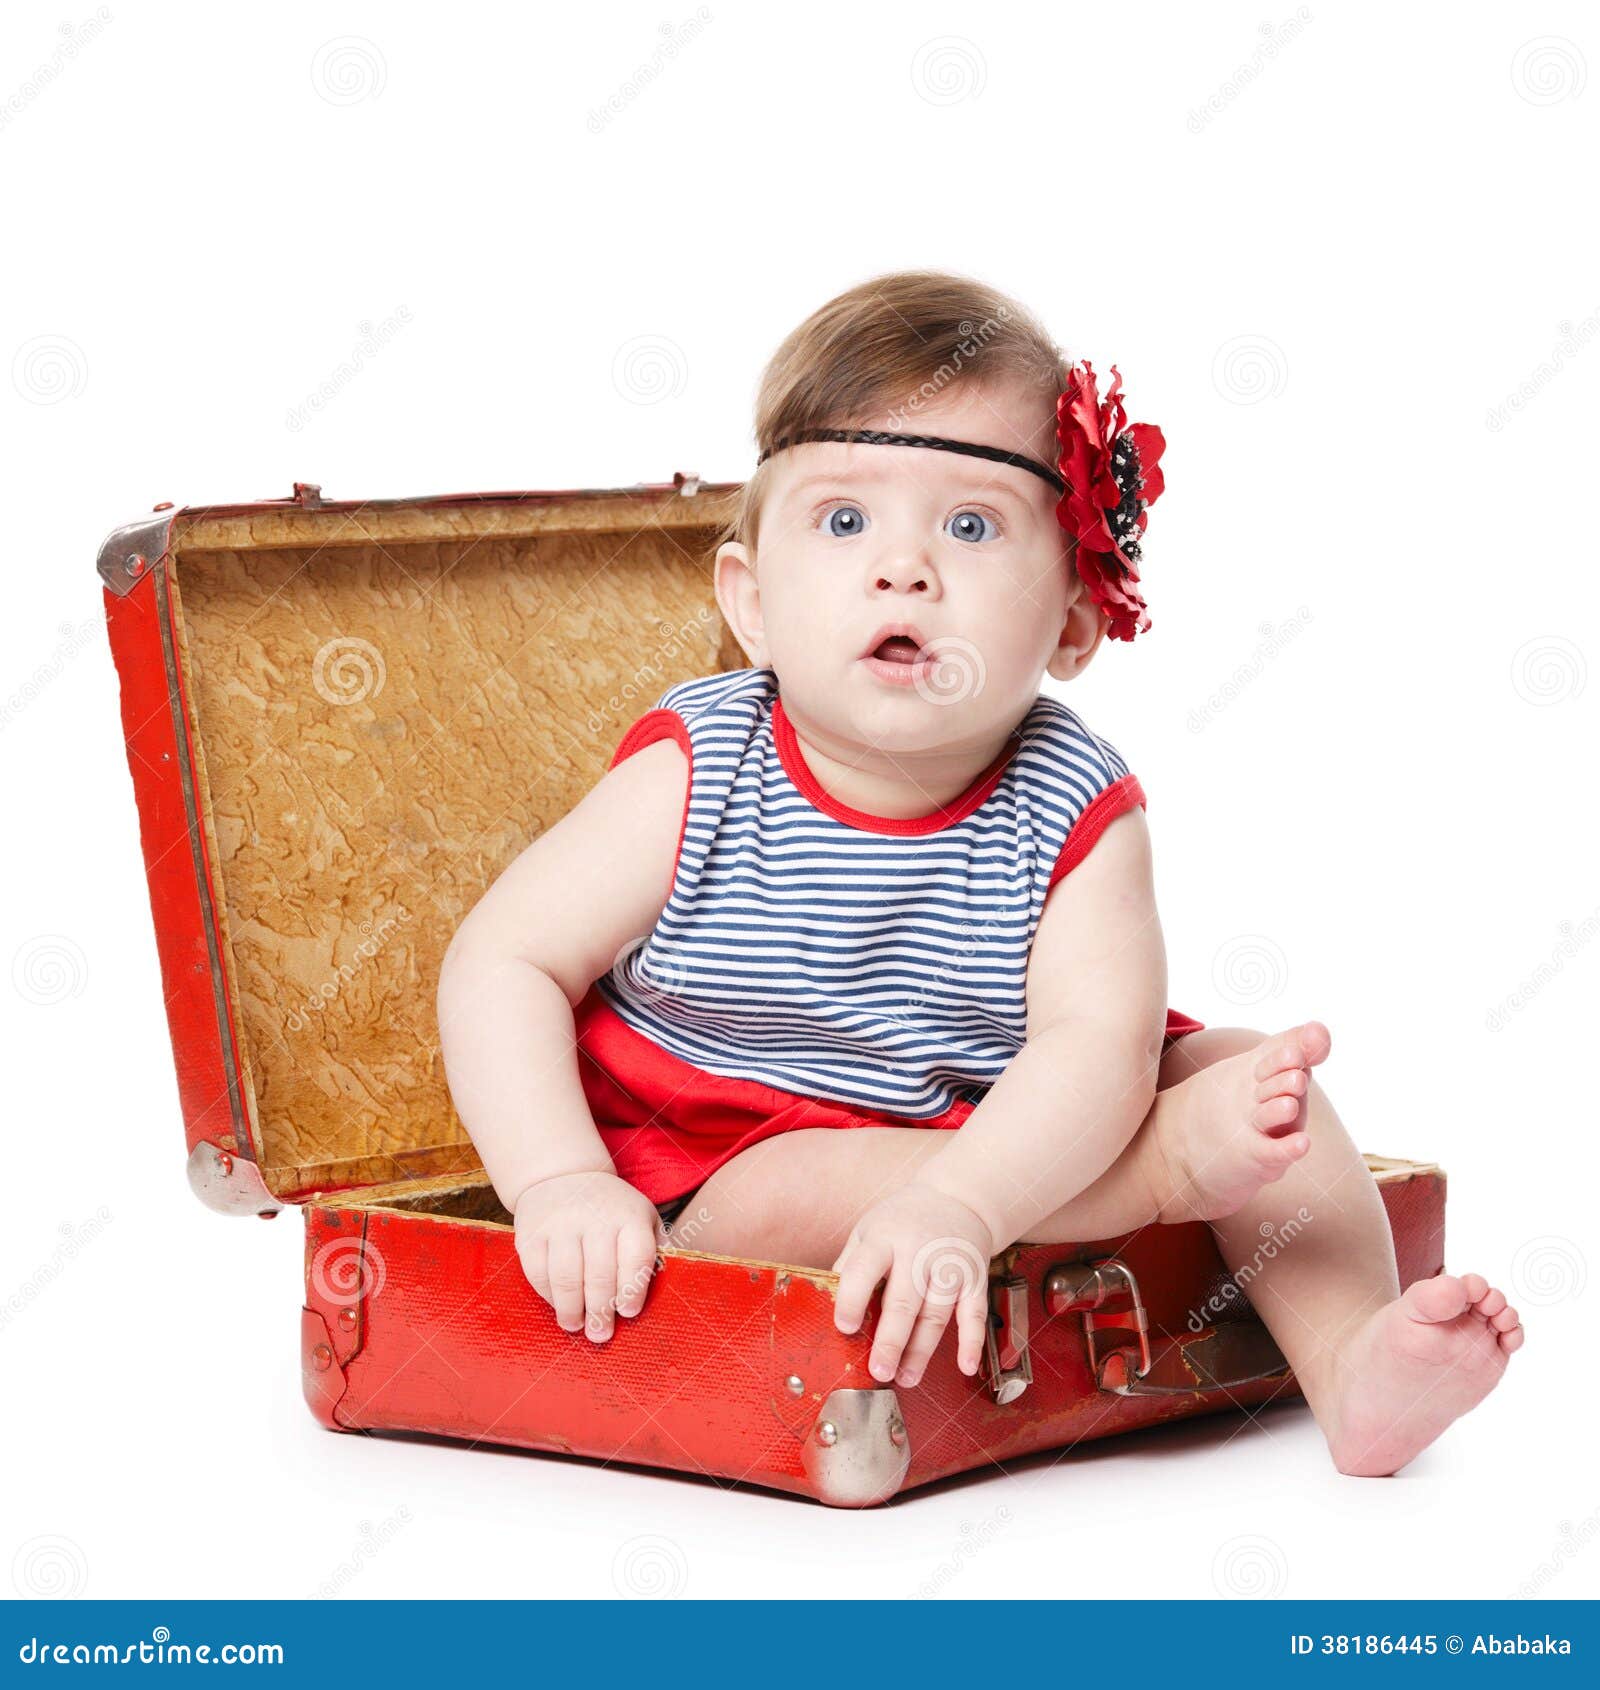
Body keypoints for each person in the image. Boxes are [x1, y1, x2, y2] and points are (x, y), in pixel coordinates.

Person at [437, 270, 1521, 1476]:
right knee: (803, 1185)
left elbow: (1094, 1054)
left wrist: (964, 1204)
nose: (904, 569)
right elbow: (505, 960)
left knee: (1248, 1075)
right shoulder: (702, 765)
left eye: (968, 525)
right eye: (844, 522)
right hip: (727, 1183)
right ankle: (1162, 1178)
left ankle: (1352, 1360)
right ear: (749, 602)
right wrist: (557, 1179)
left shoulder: (1074, 802)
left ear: (1069, 619)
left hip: (1011, 1138)